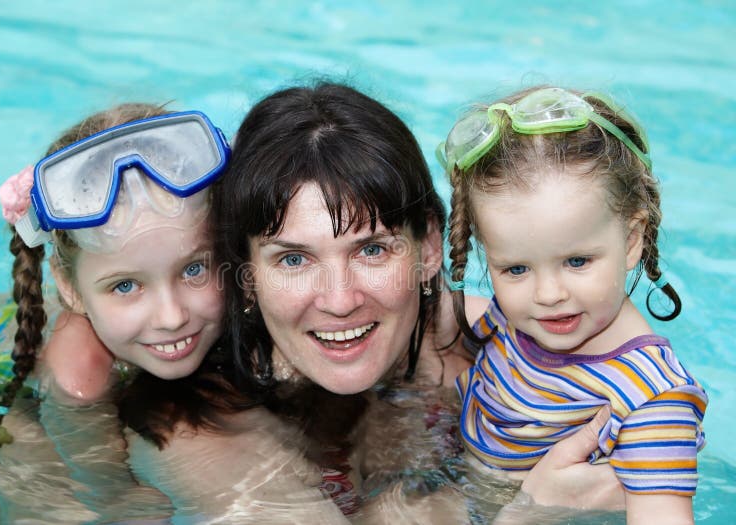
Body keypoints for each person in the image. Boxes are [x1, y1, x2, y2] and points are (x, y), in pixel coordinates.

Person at [123, 82, 630, 522]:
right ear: (247, 276)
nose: (340, 300)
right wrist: (530, 512)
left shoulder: (507, 344)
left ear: (429, 247)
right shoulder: (197, 426)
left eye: (372, 249)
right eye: (294, 260)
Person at [440, 85, 707, 524]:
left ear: (632, 239)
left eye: (577, 261)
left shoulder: (652, 402)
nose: (548, 295)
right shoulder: (515, 316)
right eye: (515, 270)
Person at [0, 102, 247, 451]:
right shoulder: (80, 378)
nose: (172, 317)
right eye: (126, 285)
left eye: (194, 269)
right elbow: (106, 495)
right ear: (70, 288)